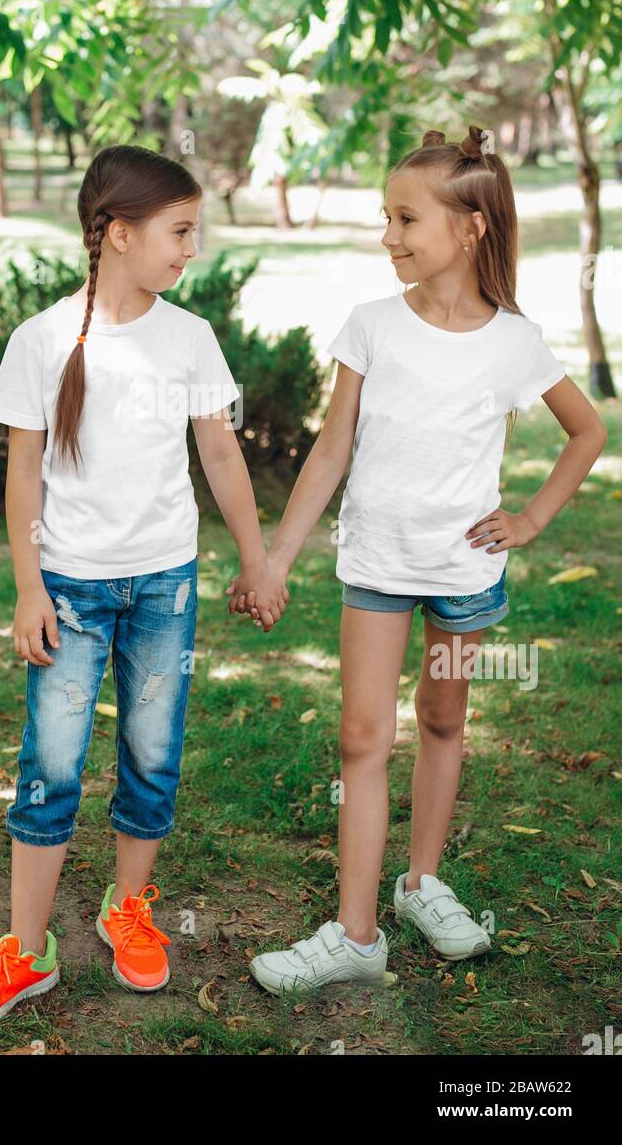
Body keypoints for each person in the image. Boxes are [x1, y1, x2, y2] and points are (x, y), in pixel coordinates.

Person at [228, 125, 607, 995]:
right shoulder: (370, 326)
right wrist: (278, 558)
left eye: (406, 219)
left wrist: (532, 517)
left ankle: (422, 885)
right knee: (362, 737)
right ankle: (357, 935)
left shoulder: (513, 339)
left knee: (442, 722)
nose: (389, 236)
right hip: (377, 567)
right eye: (386, 218)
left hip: (463, 578)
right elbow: (330, 452)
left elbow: (586, 432)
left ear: (469, 228)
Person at [0, 143, 287, 1028]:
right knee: (50, 765)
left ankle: (126, 909)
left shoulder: (190, 337)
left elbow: (219, 451)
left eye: (195, 230)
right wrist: (29, 587)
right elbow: (22, 478)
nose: (191, 248)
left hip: (165, 586)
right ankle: (27, 947)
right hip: (70, 589)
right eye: (180, 230)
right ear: (121, 234)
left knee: (152, 752)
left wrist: (256, 557)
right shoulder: (43, 339)